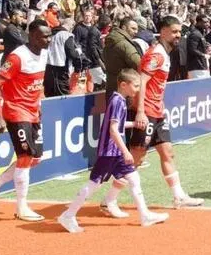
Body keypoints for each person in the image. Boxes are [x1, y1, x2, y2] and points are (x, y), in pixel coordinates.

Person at [100, 15, 203, 215]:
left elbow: (155, 84)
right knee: (136, 157)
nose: (178, 35)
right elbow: (141, 81)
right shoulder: (157, 55)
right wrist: (140, 111)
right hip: (146, 112)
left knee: (167, 152)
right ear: (163, 31)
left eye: (179, 32)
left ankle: (179, 196)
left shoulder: (163, 53)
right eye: (174, 31)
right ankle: (109, 200)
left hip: (156, 111)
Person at [57, 69, 169, 232]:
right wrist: (126, 151)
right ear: (124, 85)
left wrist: (133, 124)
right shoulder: (117, 101)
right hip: (110, 151)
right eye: (136, 86)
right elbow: (113, 130)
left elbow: (118, 126)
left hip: (115, 151)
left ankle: (145, 215)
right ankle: (68, 215)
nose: (138, 89)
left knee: (133, 178)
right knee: (94, 183)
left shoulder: (119, 100)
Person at [0, 20, 52, 221]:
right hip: (16, 112)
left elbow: (37, 84)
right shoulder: (17, 57)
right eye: (44, 36)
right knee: (25, 157)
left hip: (33, 112)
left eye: (49, 35)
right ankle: (22, 208)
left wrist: (39, 104)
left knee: (35, 158)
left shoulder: (44, 54)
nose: (49, 40)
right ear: (32, 36)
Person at [44, 18, 86, 97]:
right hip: (61, 69)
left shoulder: (51, 34)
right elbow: (72, 54)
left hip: (48, 67)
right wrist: (78, 51)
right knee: (63, 95)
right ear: (71, 26)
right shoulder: (66, 35)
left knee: (49, 94)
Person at [101, 16, 142, 94]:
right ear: (123, 27)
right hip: (124, 90)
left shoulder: (111, 40)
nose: (136, 32)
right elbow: (139, 64)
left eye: (137, 29)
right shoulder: (125, 45)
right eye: (133, 28)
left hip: (111, 86)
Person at [185, 15, 210, 79]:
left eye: (208, 22)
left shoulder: (201, 33)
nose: (207, 24)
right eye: (205, 22)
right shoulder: (195, 34)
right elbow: (192, 49)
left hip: (202, 66)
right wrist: (206, 56)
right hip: (196, 67)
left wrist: (206, 46)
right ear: (199, 23)